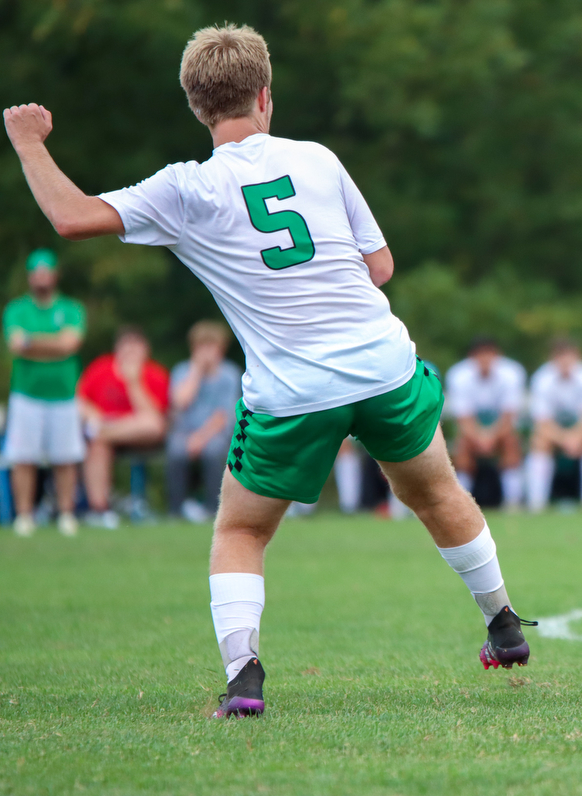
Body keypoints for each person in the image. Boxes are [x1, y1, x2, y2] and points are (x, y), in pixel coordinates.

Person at [3, 23, 534, 717]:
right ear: (264, 95)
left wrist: (28, 141)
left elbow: (72, 218)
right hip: (382, 366)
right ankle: (503, 624)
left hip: (293, 389)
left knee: (242, 530)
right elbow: (379, 268)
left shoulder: (185, 188)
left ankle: (244, 679)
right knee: (436, 492)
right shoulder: (317, 158)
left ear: (196, 106)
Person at [2, 248, 86, 537]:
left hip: (64, 394)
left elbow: (70, 345)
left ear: (55, 275)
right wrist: (54, 344)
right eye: (36, 274)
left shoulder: (71, 308)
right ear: (29, 277)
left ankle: (66, 514)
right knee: (23, 457)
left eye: (46, 273)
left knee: (66, 457)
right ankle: (24, 515)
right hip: (26, 394)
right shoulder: (16, 309)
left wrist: (32, 343)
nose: (41, 278)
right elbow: (16, 344)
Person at [76, 326, 170, 528]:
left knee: (151, 424)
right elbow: (79, 401)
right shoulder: (101, 368)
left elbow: (154, 418)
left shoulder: (155, 374)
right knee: (98, 446)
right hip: (105, 429)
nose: (130, 352)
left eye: (136, 347)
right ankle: (99, 509)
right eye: (126, 346)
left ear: (145, 350)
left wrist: (133, 382)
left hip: (139, 436)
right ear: (117, 349)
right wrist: (95, 416)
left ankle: (102, 433)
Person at [167, 320, 242, 521]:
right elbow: (180, 402)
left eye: (212, 346)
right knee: (176, 450)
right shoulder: (182, 371)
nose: (207, 352)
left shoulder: (229, 374)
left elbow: (223, 416)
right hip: (184, 432)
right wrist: (197, 372)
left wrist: (200, 438)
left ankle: (213, 509)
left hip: (215, 433)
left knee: (213, 451)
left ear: (221, 348)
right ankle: (175, 510)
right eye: (202, 346)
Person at [525, 337, 582, 512]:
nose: (565, 362)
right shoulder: (542, 379)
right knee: (539, 442)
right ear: (553, 359)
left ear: (578, 357)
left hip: (581, 430)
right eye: (560, 356)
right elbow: (542, 422)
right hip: (555, 431)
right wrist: (565, 440)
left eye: (569, 356)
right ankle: (537, 502)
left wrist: (576, 438)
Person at [446, 338, 527, 509]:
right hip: (472, 433)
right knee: (462, 446)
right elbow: (463, 418)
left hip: (501, 431)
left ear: (497, 356)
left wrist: (490, 438)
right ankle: (461, 504)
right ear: (472, 357)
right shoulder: (458, 375)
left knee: (511, 443)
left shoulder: (512, 373)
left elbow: (509, 416)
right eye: (480, 355)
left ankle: (513, 502)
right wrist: (480, 438)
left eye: (489, 354)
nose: (485, 360)